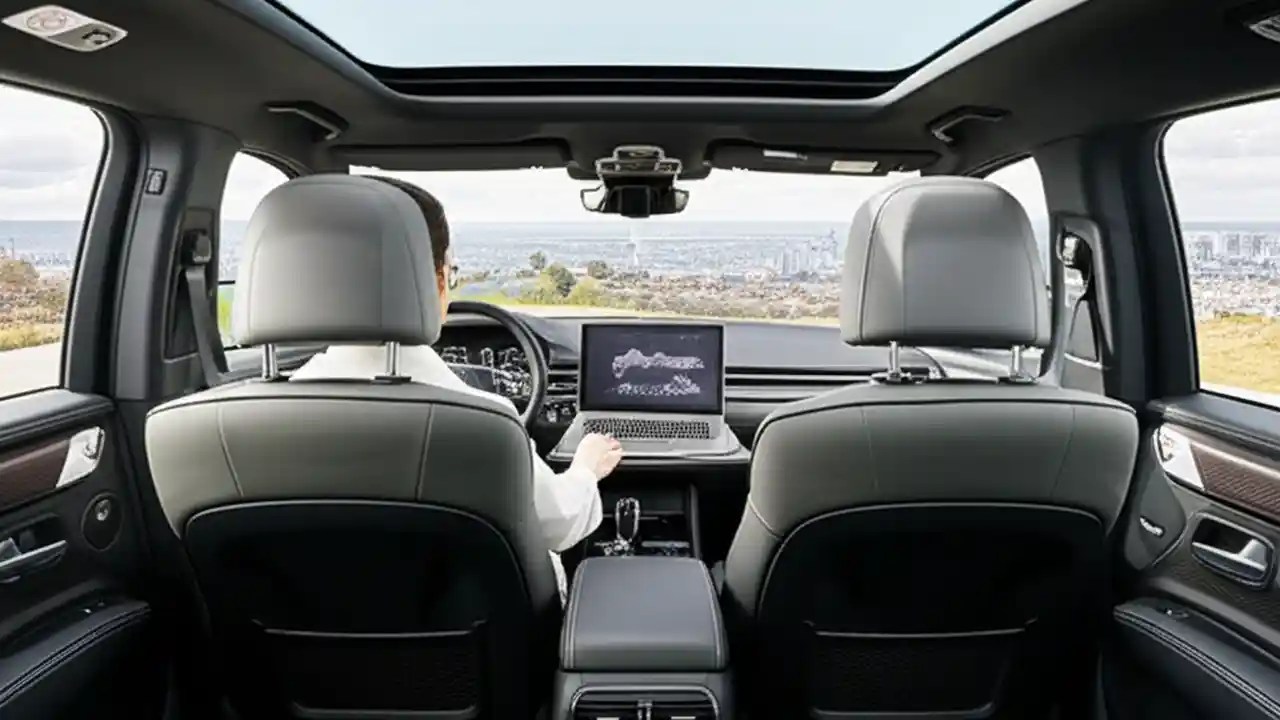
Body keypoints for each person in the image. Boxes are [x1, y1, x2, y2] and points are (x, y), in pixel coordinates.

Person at [291, 175, 622, 599]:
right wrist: (586, 468)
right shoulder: (485, 424)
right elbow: (558, 524)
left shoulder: (228, 428)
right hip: (474, 658)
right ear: (440, 280)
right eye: (452, 270)